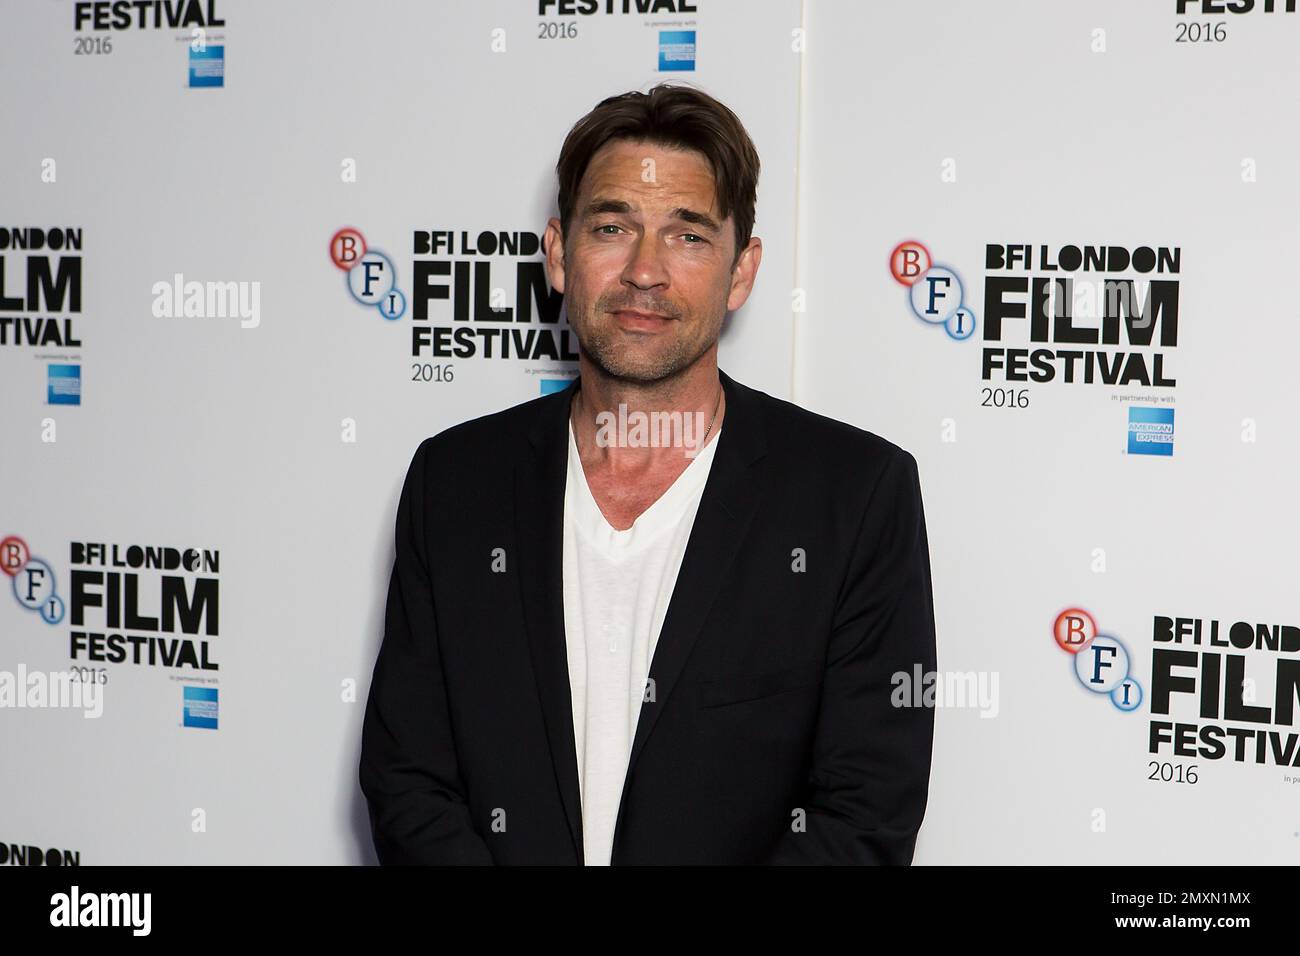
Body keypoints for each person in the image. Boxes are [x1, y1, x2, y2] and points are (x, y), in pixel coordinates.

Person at [359, 83, 937, 865]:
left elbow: (865, 815)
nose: (644, 272)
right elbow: (408, 783)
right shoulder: (453, 484)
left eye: (688, 236)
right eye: (611, 227)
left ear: (741, 271)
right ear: (559, 254)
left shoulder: (856, 496)